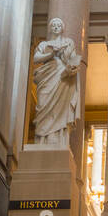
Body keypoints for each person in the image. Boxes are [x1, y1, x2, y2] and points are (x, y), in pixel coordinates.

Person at [31, 17, 82, 147]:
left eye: (58, 25)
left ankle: (58, 139)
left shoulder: (68, 42)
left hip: (62, 77)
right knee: (43, 104)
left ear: (62, 28)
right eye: (53, 25)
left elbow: (73, 59)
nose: (56, 27)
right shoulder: (44, 44)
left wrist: (72, 67)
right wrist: (50, 54)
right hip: (47, 77)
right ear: (50, 28)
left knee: (60, 107)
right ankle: (41, 140)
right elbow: (36, 59)